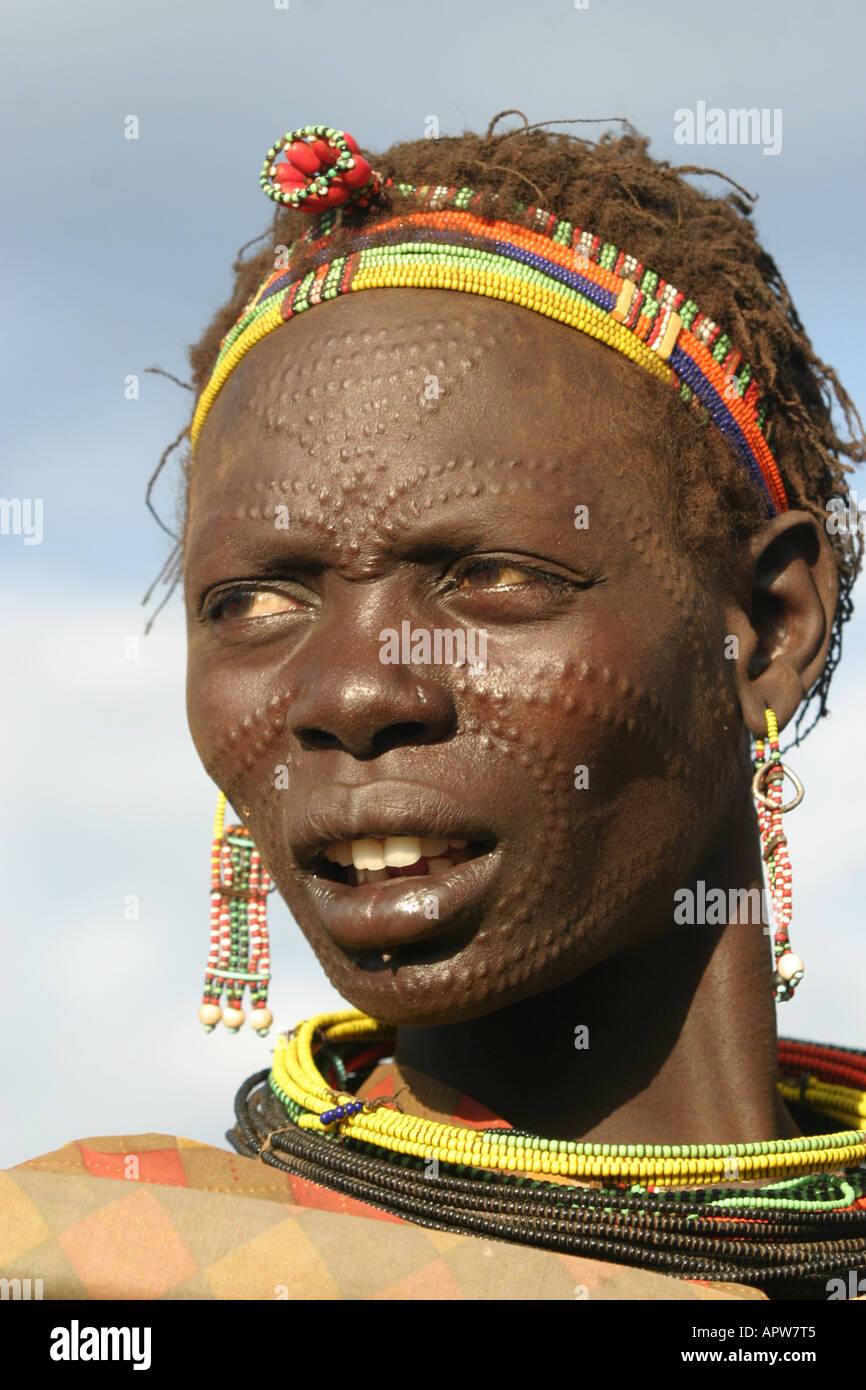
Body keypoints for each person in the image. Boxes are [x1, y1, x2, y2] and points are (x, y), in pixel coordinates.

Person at [3, 114, 864, 1302]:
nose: (353, 690)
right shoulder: (98, 1272)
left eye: (492, 579)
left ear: (766, 629)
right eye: (254, 601)